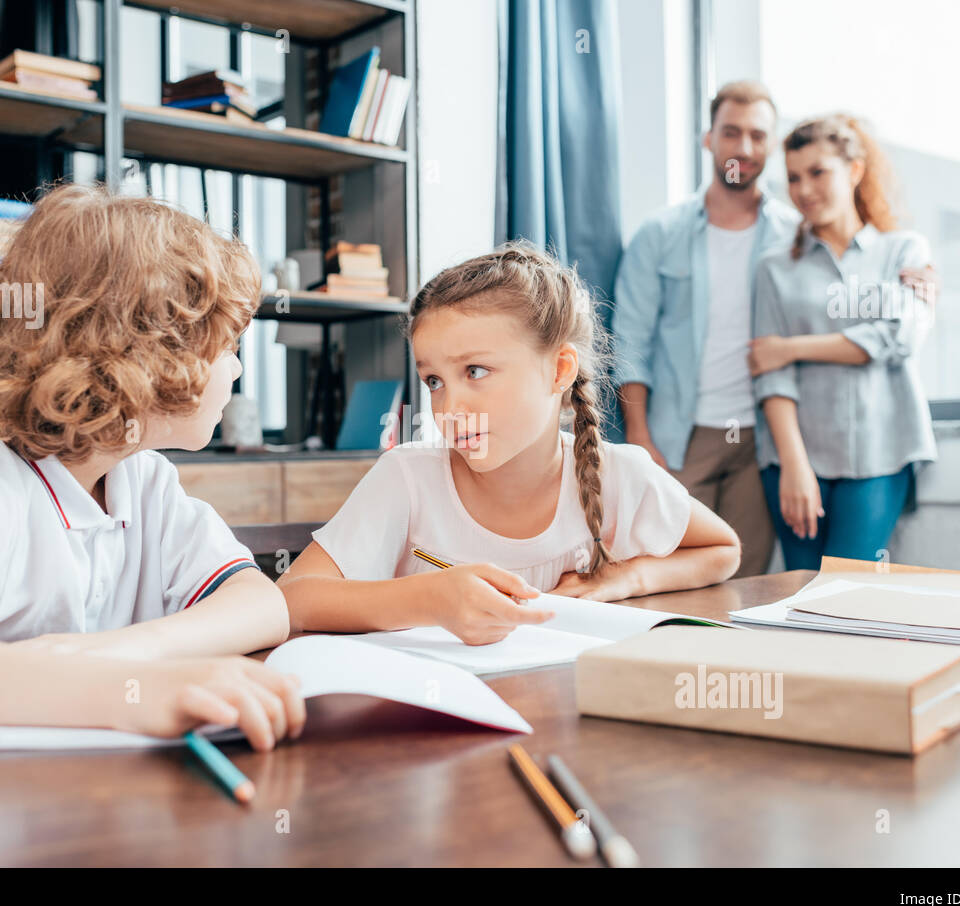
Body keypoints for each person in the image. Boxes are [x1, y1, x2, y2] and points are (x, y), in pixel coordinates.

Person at [0, 184, 305, 750]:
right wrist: (129, 692)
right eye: (226, 348)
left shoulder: (143, 480)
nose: (237, 369)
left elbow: (262, 605)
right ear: (143, 356)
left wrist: (112, 656)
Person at [277, 242, 741, 646]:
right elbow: (293, 597)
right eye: (434, 381)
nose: (449, 407)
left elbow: (723, 550)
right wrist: (427, 599)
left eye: (475, 371)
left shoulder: (617, 474)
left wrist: (629, 576)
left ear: (559, 370)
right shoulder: (408, 478)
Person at [613, 80, 935, 577]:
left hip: (760, 440)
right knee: (667, 575)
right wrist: (640, 438)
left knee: (753, 583)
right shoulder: (669, 235)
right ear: (708, 138)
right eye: (731, 132)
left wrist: (789, 348)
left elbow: (893, 330)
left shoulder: (796, 233)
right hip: (684, 436)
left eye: (758, 135)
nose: (744, 147)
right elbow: (630, 340)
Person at [749, 114, 938, 570]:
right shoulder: (774, 268)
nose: (804, 189)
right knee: (798, 590)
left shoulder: (905, 252)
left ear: (854, 171)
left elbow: (898, 337)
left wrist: (791, 346)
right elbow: (771, 375)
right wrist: (794, 466)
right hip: (794, 460)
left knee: (850, 590)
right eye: (794, 177)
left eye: (818, 172)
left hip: (881, 454)